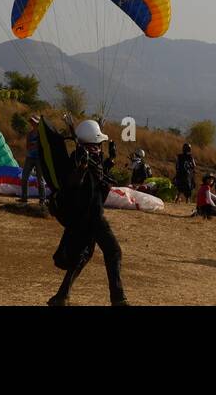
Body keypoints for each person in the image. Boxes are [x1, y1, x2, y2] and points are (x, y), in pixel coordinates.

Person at [49, 119, 127, 306]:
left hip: (85, 217)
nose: (100, 147)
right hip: (92, 217)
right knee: (114, 252)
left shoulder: (91, 156)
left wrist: (111, 159)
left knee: (84, 255)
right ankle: (118, 299)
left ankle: (61, 296)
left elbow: (99, 175)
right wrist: (81, 169)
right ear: (92, 143)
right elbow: (73, 182)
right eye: (98, 144)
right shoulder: (79, 158)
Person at [19, 115, 46, 205]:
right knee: (24, 177)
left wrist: (35, 145)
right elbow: (28, 147)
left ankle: (42, 200)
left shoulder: (42, 135)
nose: (32, 123)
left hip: (39, 159)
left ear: (38, 123)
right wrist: (32, 146)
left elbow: (44, 146)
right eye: (31, 121)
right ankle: (24, 197)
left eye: (34, 121)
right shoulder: (30, 134)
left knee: (40, 179)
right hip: (30, 157)